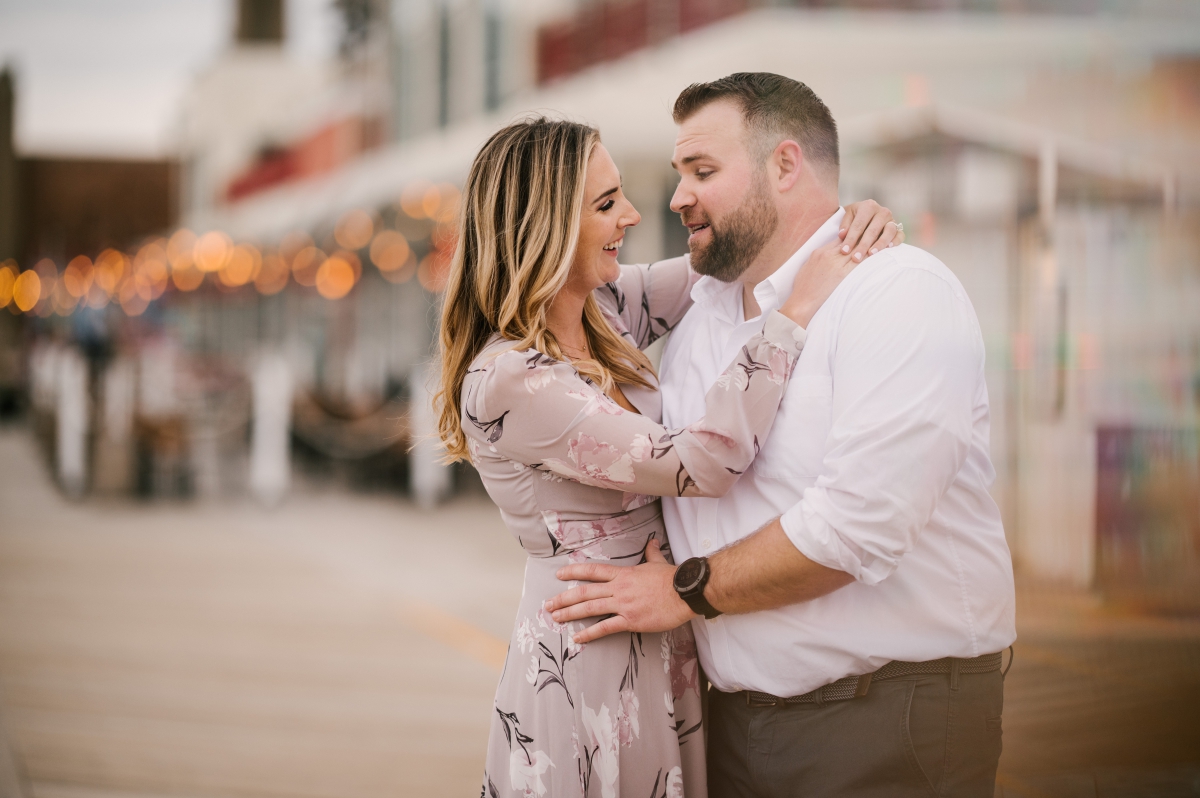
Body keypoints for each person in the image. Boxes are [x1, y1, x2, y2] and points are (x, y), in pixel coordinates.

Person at [547, 73, 1018, 798]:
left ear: (786, 165)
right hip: (728, 728)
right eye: (679, 173)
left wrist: (684, 590)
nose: (676, 197)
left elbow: (857, 527)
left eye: (703, 171)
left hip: (883, 721)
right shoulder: (700, 312)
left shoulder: (896, 292)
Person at [434, 116, 902, 798]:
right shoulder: (511, 379)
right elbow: (701, 463)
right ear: (545, 227)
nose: (630, 215)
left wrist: (838, 222)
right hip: (591, 652)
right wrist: (793, 318)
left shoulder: (600, 306)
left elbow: (736, 251)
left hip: (659, 632)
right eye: (605, 204)